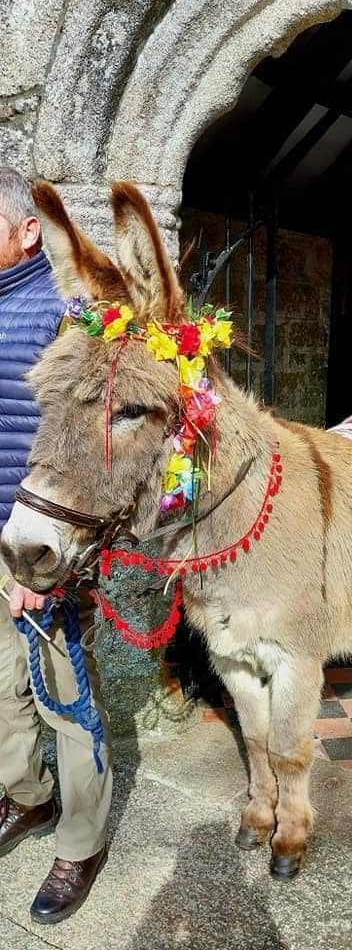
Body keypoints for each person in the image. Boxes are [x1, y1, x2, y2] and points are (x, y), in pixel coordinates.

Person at [0, 167, 112, 925]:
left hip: (38, 548)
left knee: (64, 698)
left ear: (27, 230)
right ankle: (27, 798)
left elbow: (82, 453)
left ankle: (80, 842)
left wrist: (44, 566)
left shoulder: (66, 315)